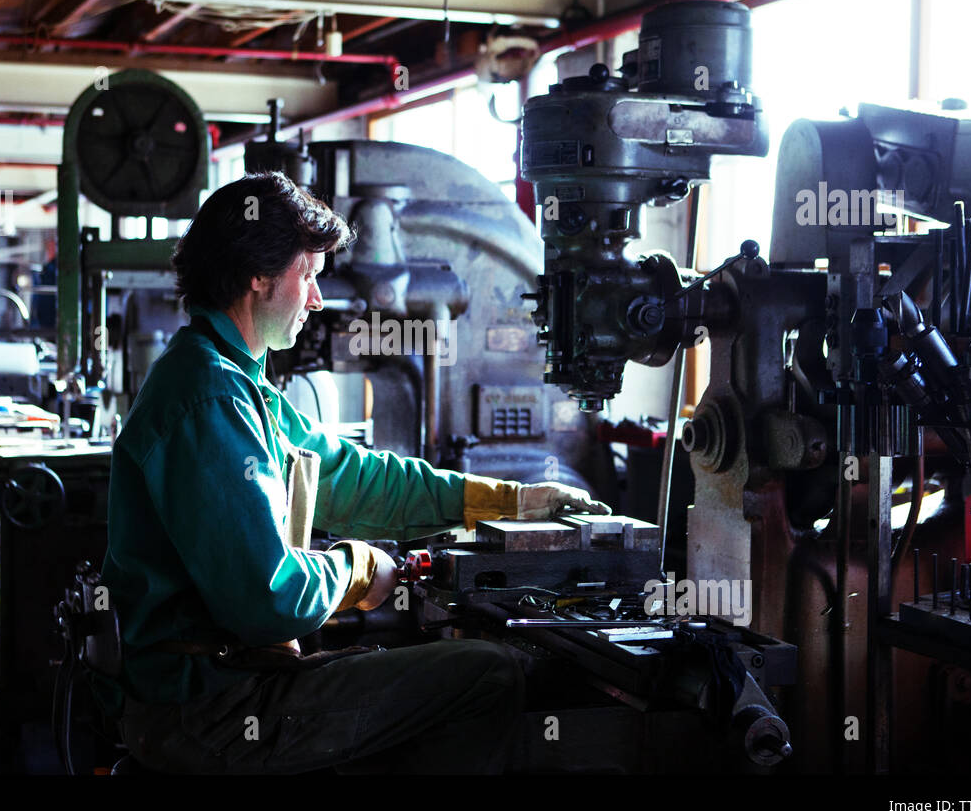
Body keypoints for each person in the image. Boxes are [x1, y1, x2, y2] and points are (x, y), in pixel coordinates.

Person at [101, 171, 610, 773]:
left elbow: (353, 475)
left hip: (223, 684)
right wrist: (358, 567)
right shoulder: (211, 396)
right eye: (307, 275)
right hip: (208, 710)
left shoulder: (233, 381)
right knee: (487, 676)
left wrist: (505, 500)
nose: (315, 298)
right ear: (257, 277)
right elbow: (273, 599)